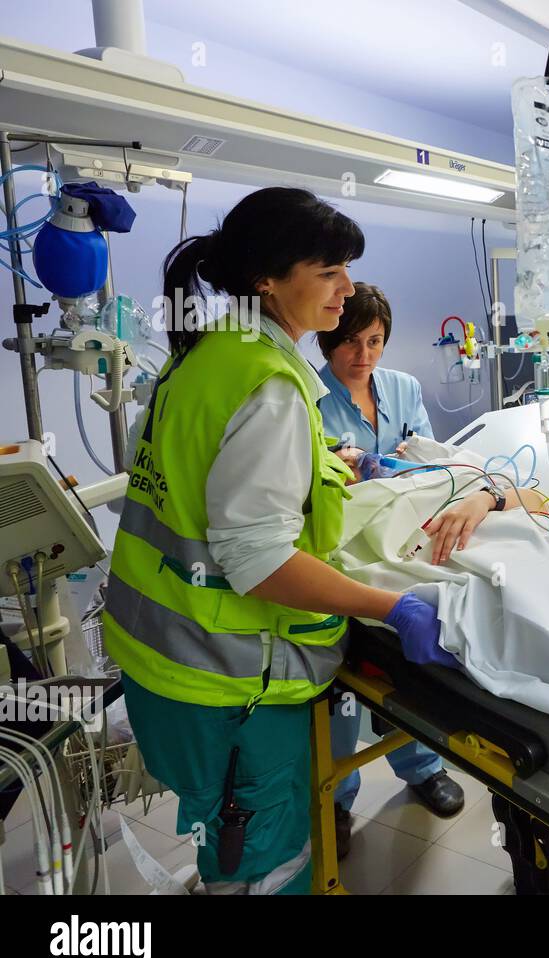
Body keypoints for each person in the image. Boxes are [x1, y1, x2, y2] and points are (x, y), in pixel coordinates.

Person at [102, 188, 449, 894]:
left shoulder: (200, 356)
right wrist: (390, 607)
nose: (346, 290)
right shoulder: (271, 384)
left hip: (154, 654)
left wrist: (320, 467)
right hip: (227, 680)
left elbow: (192, 481)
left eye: (347, 270)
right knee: (268, 861)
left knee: (223, 839)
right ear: (268, 278)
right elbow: (258, 560)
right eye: (328, 272)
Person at [316, 283, 462, 853]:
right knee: (345, 687)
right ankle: (338, 798)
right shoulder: (307, 395)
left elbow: (431, 461)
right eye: (351, 341)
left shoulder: (401, 389)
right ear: (329, 339)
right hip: (345, 553)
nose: (365, 355)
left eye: (376, 341)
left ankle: (422, 768)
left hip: (405, 543)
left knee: (409, 675)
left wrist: (386, 465)